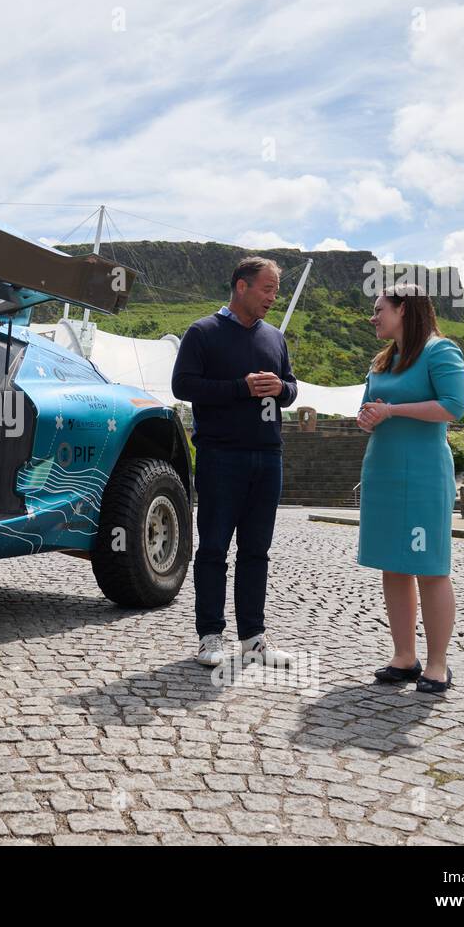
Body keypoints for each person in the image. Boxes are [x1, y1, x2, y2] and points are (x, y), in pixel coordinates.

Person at [171, 256, 298, 669]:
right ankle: (210, 636)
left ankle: (254, 640)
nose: (272, 298)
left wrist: (282, 388)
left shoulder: (275, 339)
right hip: (220, 455)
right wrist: (238, 389)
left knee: (256, 550)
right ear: (241, 287)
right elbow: (183, 385)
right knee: (213, 549)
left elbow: (292, 389)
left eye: (276, 291)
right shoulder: (203, 332)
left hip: (268, 455)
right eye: (267, 289)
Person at [356, 284, 464, 694]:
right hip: (382, 472)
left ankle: (438, 665)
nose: (374, 316)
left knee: (430, 567)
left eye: (379, 309)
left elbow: (454, 406)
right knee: (393, 564)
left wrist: (392, 411)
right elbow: (371, 407)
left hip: (421, 477)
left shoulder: (441, 351)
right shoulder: (383, 360)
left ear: (404, 309)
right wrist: (367, 418)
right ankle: (404, 656)